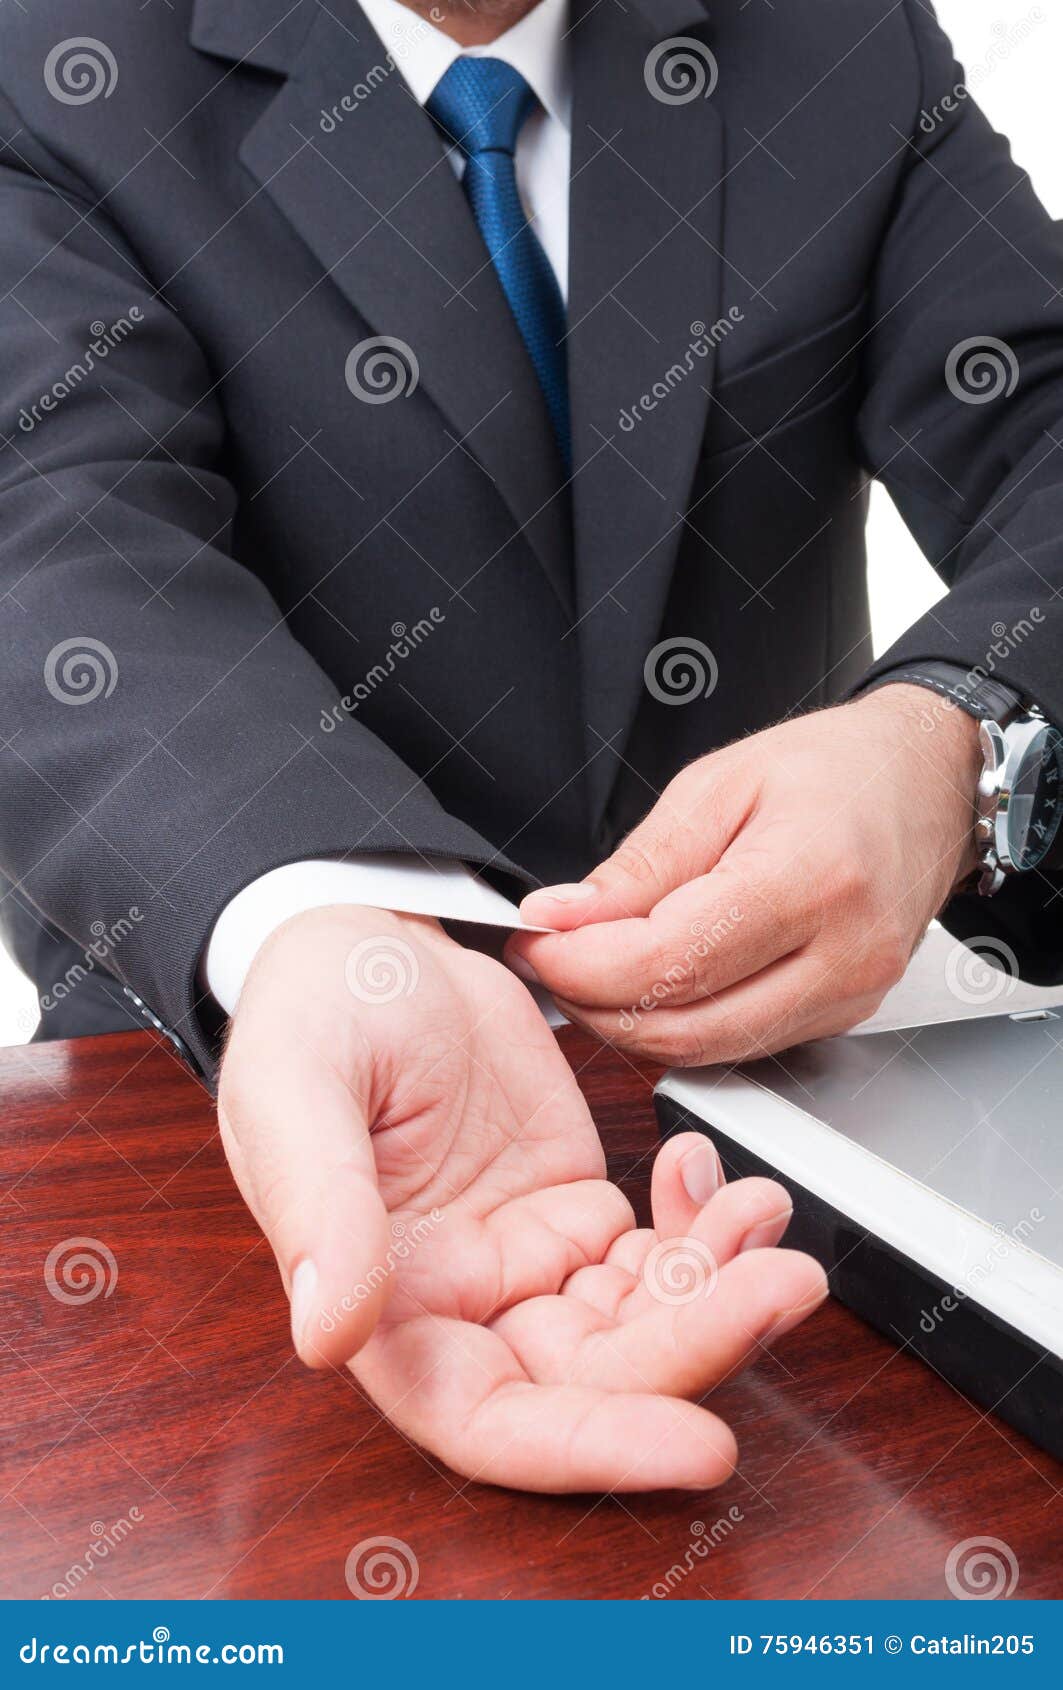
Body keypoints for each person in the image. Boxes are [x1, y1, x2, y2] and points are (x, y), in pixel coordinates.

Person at [2, 0, 1062, 1491]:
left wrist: (957, 739)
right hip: (232, 1155)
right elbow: (56, 551)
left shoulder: (835, 30)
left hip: (799, 1146)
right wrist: (321, 928)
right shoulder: (53, 61)